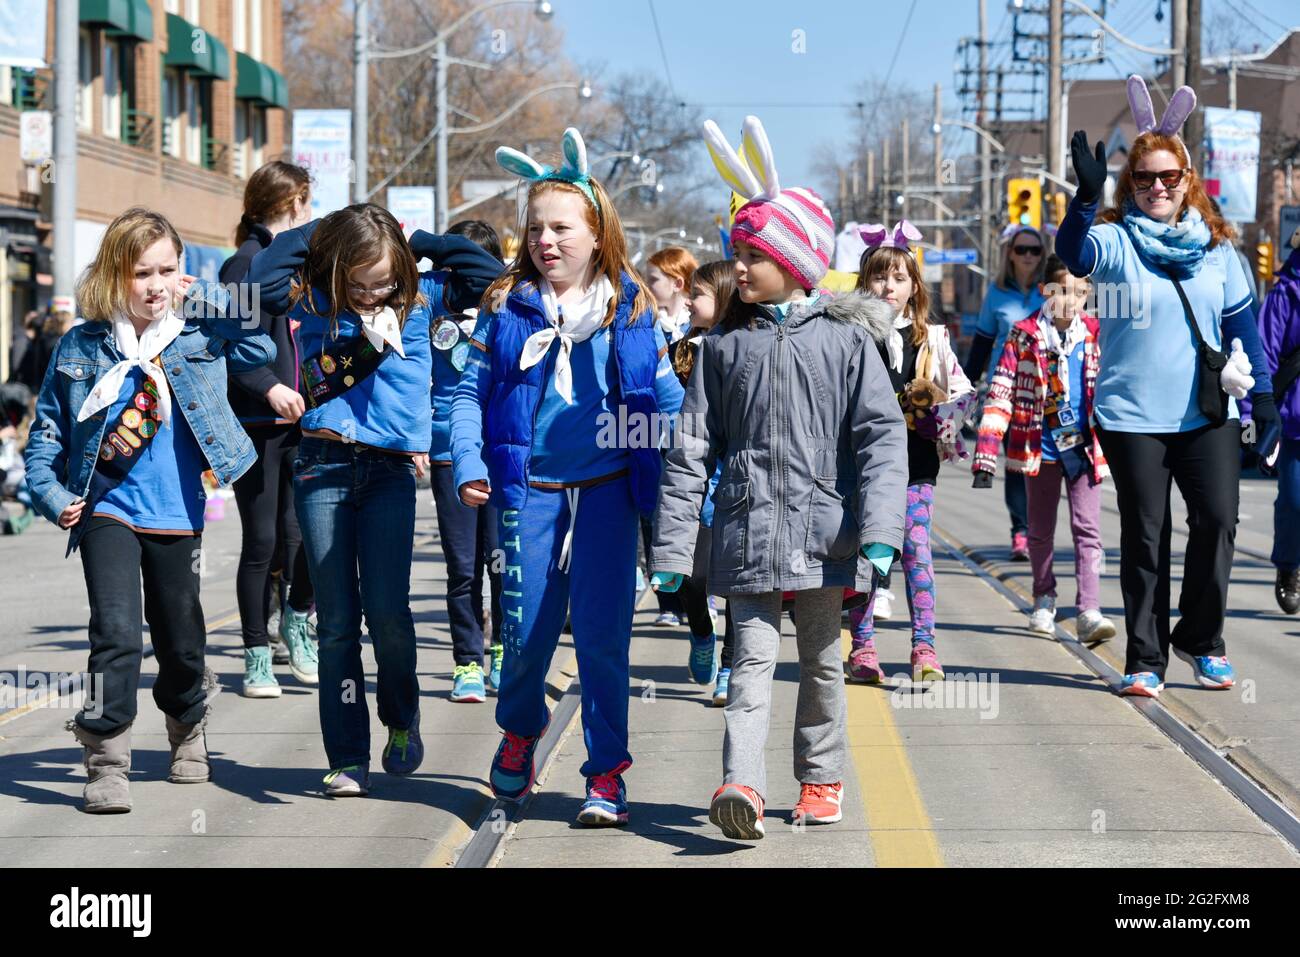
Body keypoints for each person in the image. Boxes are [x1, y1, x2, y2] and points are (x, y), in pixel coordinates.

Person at [653, 116, 906, 840]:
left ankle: (821, 776)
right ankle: (742, 784)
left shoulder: (846, 342)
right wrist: (673, 553)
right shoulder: (723, 349)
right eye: (735, 255)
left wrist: (881, 531)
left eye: (750, 255)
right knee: (750, 665)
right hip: (747, 534)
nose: (737, 269)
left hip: (828, 535)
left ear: (795, 261)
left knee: (823, 664)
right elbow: (689, 451)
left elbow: (882, 437)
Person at [450, 127, 684, 826]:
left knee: (604, 639)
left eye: (561, 227)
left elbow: (669, 403)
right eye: (535, 228)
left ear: (598, 230)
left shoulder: (633, 311)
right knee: (523, 635)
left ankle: (606, 772)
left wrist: (697, 460)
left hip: (610, 495)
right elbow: (468, 394)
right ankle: (520, 730)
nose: (546, 240)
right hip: (529, 495)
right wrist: (469, 461)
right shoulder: (506, 308)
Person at [23, 207, 275, 813]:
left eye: (168, 270)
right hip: (105, 507)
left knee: (181, 641)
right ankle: (106, 758)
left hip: (179, 512)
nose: (156, 285)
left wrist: (207, 294)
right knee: (114, 635)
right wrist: (56, 497)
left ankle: (187, 728)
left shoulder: (201, 333)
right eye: (142, 272)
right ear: (115, 274)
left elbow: (260, 338)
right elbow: (45, 437)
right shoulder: (82, 344)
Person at [249, 204, 500, 796]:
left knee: (388, 612)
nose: (370, 294)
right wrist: (323, 232)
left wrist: (422, 240)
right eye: (359, 283)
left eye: (382, 281)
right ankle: (347, 755)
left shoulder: (422, 297)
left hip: (390, 471)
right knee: (336, 621)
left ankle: (401, 718)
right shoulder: (316, 297)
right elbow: (259, 284)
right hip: (321, 466)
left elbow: (493, 277)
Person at [1057, 76, 1278, 697]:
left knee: (1219, 521)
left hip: (1207, 413)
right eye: (1145, 178)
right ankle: (1146, 659)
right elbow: (1072, 254)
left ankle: (1202, 641)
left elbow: (1246, 333)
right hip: (1132, 417)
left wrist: (1264, 399)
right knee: (1147, 534)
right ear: (1131, 185)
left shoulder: (1219, 252)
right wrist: (1083, 198)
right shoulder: (1116, 240)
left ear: (1188, 182)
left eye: (1169, 178)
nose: (1157, 187)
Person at [846, 221, 974, 685]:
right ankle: (862, 648)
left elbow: (963, 396)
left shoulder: (932, 339)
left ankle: (924, 647)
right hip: (861, 467)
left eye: (899, 278)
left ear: (914, 286)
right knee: (867, 557)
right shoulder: (850, 335)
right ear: (865, 283)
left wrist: (937, 407)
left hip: (916, 465)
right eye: (879, 277)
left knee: (917, 551)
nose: (888, 286)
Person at [973, 254, 1117, 643]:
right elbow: (1001, 390)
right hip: (1039, 448)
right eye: (1060, 291)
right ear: (1043, 292)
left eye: (1078, 292)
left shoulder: (1098, 334)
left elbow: (1117, 388)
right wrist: (987, 450)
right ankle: (1043, 596)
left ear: (1088, 293)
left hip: (1085, 450)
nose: (1069, 300)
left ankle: (1089, 607)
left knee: (1088, 529)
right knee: (1039, 531)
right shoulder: (1023, 335)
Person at [221, 160, 317, 697]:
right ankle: (257, 654)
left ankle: (298, 627)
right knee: (261, 541)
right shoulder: (245, 263)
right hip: (259, 423)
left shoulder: (301, 262)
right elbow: (235, 346)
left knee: (301, 537)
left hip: (303, 425)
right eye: (308, 201)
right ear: (292, 202)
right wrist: (270, 386)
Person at [429, 218, 506, 702]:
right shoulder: (430, 301)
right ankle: (466, 662)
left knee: (501, 562)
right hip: (445, 451)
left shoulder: (507, 308)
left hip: (499, 450)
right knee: (462, 567)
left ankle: (503, 650)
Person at [666, 259, 734, 702]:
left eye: (700, 293)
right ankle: (701, 631)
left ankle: (731, 664)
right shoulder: (679, 351)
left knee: (739, 585)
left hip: (740, 482)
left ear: (725, 299)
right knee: (694, 578)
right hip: (694, 481)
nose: (689, 299)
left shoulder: (747, 347)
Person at [964, 226, 1048, 561]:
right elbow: (982, 344)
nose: (1028, 256)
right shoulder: (996, 294)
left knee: (1043, 464)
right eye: (1022, 249)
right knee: (1016, 463)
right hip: (1007, 387)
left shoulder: (1052, 289)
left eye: (1035, 250)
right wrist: (965, 392)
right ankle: (1021, 532)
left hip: (1045, 388)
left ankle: (1041, 529)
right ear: (1010, 253)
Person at [1257, 240, 1300, 612]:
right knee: (1294, 501)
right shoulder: (1284, 292)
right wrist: (1260, 409)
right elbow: (1265, 353)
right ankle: (1288, 567)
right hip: (1296, 419)